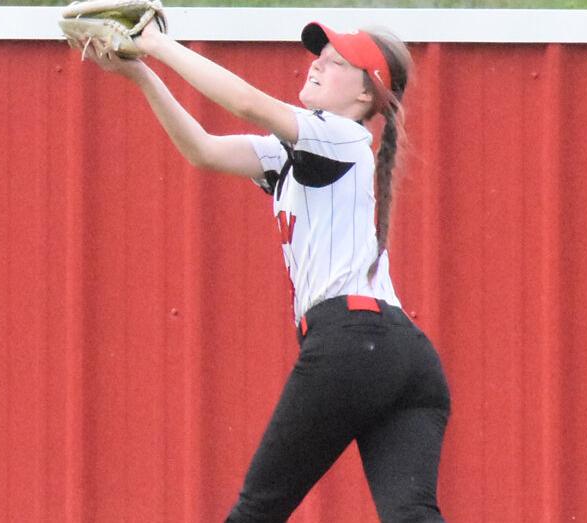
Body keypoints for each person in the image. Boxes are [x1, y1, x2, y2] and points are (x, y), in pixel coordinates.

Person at [78, 19, 451, 523]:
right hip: (405, 357)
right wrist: (141, 73)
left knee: (257, 511)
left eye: (337, 61)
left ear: (368, 95)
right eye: (320, 55)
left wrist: (159, 44)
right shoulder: (297, 151)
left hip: (352, 342)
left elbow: (250, 104)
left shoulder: (340, 136)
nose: (318, 62)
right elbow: (203, 150)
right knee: (411, 515)